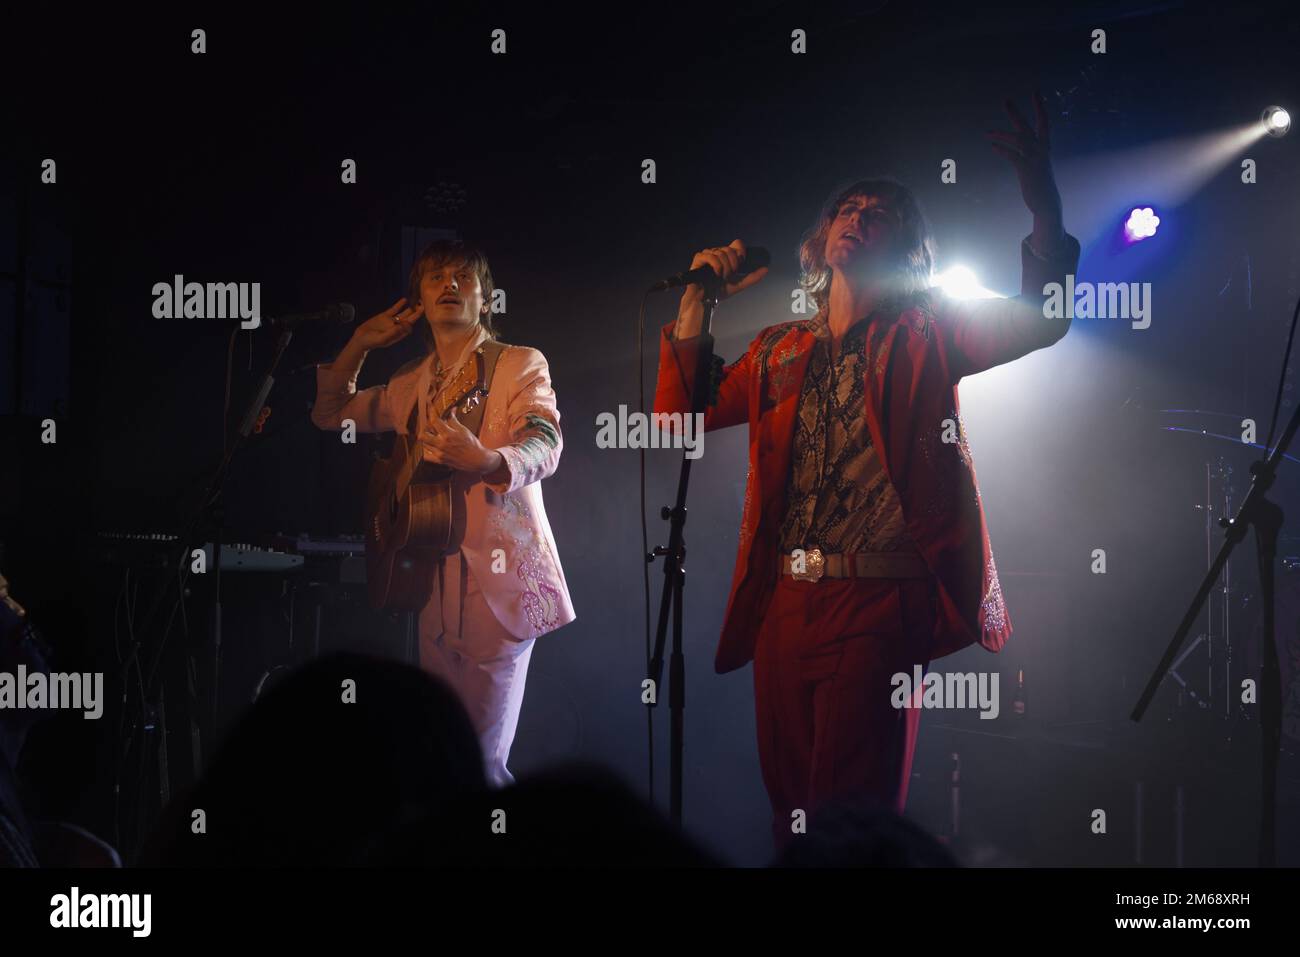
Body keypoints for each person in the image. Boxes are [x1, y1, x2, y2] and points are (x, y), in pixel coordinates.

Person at [654, 95, 1081, 848]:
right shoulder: (780, 348)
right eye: (846, 209)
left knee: (848, 825)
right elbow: (680, 416)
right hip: (785, 604)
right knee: (790, 818)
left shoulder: (929, 330)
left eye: (879, 213)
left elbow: (1043, 316)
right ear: (820, 240)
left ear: (910, 247)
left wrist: (1042, 203)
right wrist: (697, 296)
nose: (857, 216)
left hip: (877, 601)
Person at [311, 239, 575, 786]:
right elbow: (330, 414)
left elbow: (545, 441)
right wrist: (360, 341)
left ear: (489, 298)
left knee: (481, 765)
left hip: (500, 586)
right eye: (435, 278)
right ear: (419, 300)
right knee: (445, 764)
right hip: (428, 579)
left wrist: (486, 458)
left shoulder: (520, 362)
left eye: (462, 277)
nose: (449, 285)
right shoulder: (410, 381)